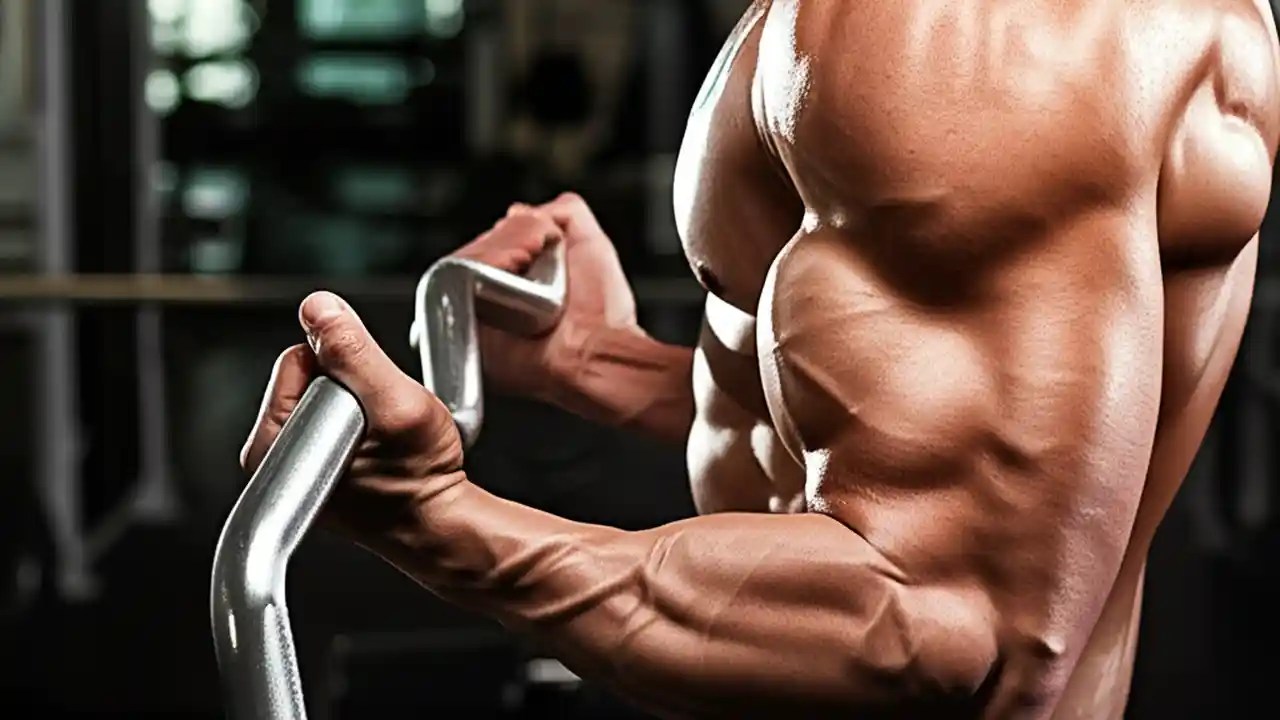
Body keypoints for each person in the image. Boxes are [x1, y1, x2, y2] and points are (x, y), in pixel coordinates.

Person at [241, 1, 1280, 717]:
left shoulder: (970, 40)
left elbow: (939, 631)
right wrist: (604, 363)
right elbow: (914, 448)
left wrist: (434, 522)